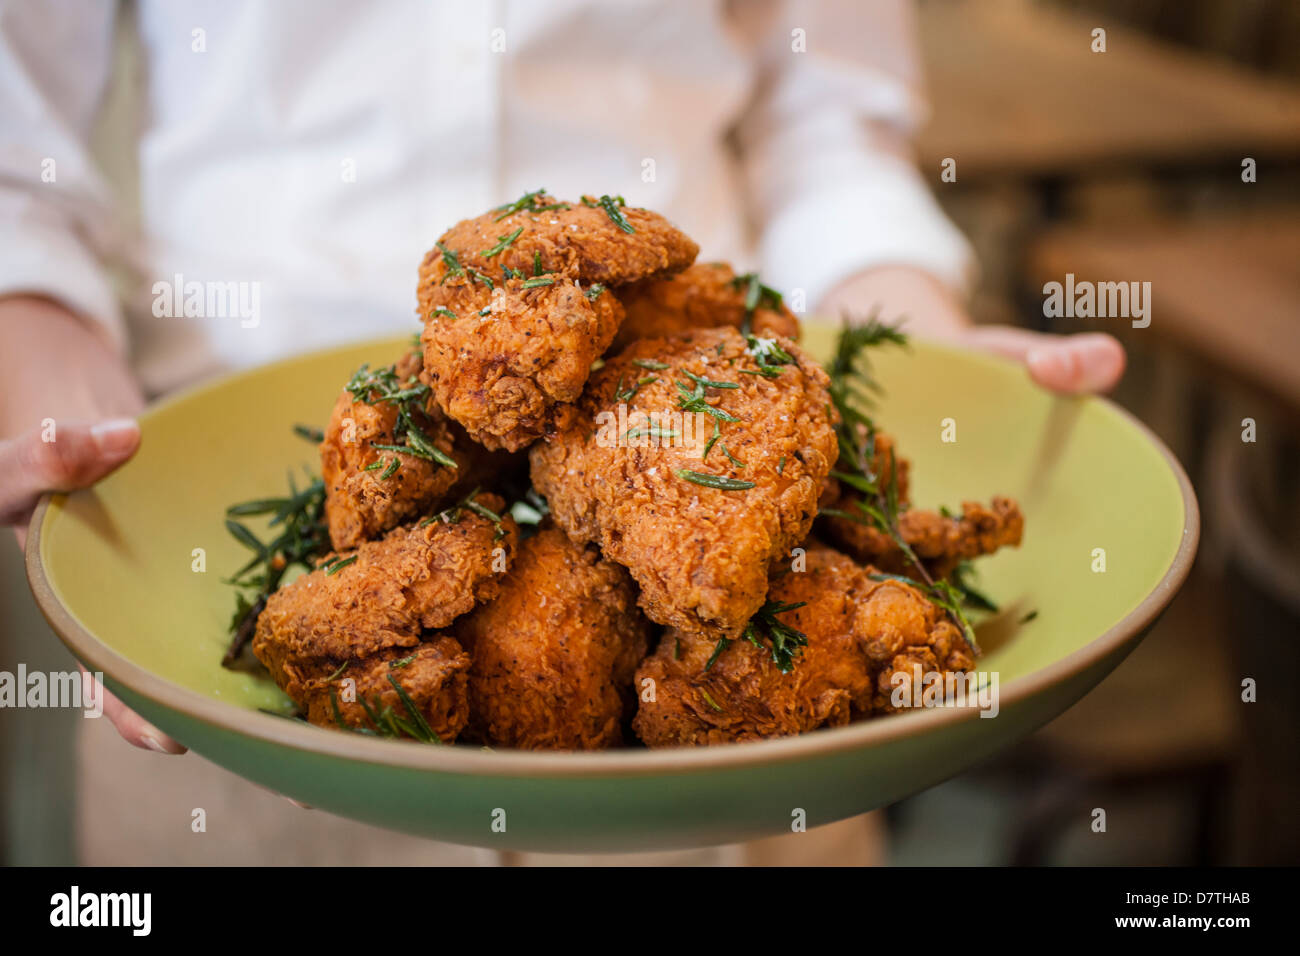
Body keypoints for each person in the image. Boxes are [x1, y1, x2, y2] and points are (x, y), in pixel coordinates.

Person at [0, 0, 1122, 865]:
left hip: (737, 778)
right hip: (234, 700)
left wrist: (918, 339)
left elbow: (827, 122)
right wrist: (80, 446)